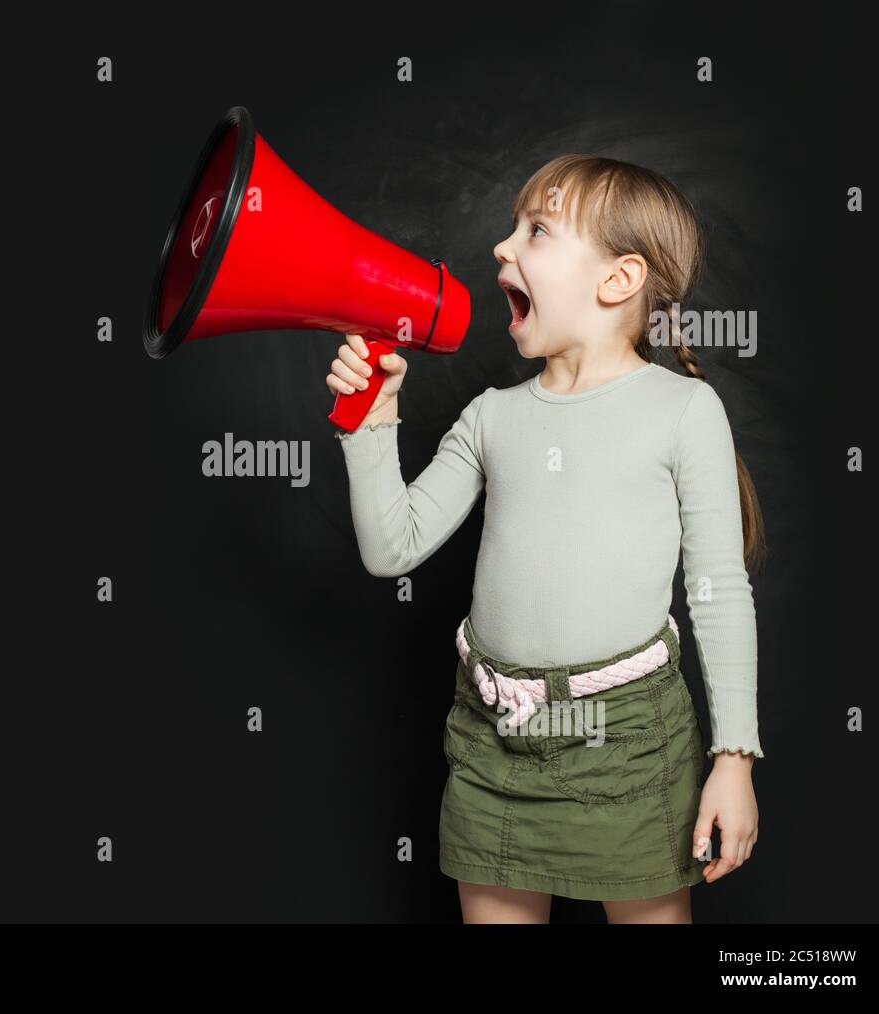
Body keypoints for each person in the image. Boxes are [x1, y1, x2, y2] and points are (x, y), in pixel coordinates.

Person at [327, 155, 763, 924]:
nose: (501, 247)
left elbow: (718, 590)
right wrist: (371, 420)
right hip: (492, 737)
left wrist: (733, 759)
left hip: (627, 740)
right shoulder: (492, 417)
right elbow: (389, 549)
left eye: (534, 230)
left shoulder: (684, 412)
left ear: (618, 281)